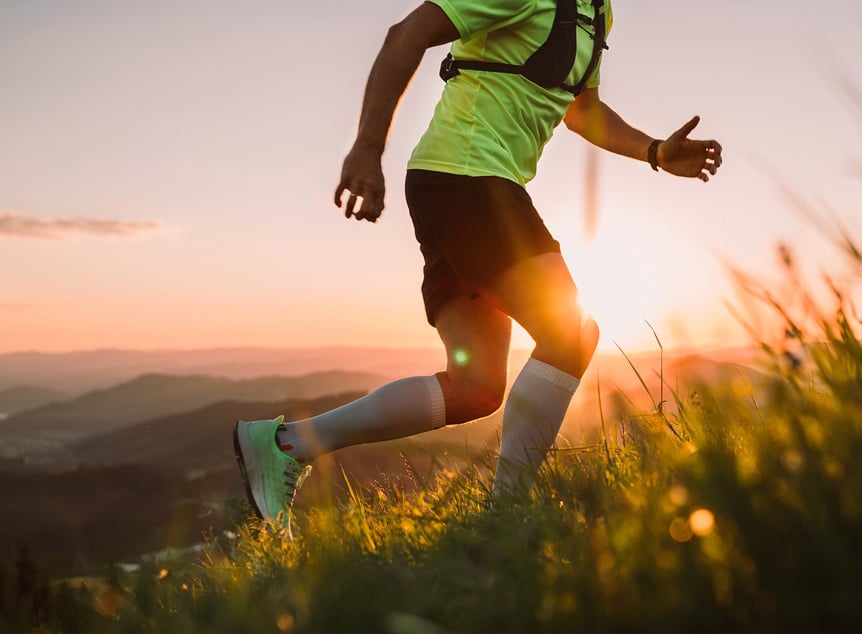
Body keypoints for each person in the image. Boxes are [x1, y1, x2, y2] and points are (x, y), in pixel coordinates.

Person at [234, 0, 722, 533]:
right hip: (466, 177)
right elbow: (408, 33)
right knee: (573, 332)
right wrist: (367, 149)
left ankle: (284, 444)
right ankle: (507, 515)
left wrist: (653, 150)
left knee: (477, 388)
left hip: (471, 184)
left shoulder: (599, 11)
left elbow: (580, 108)